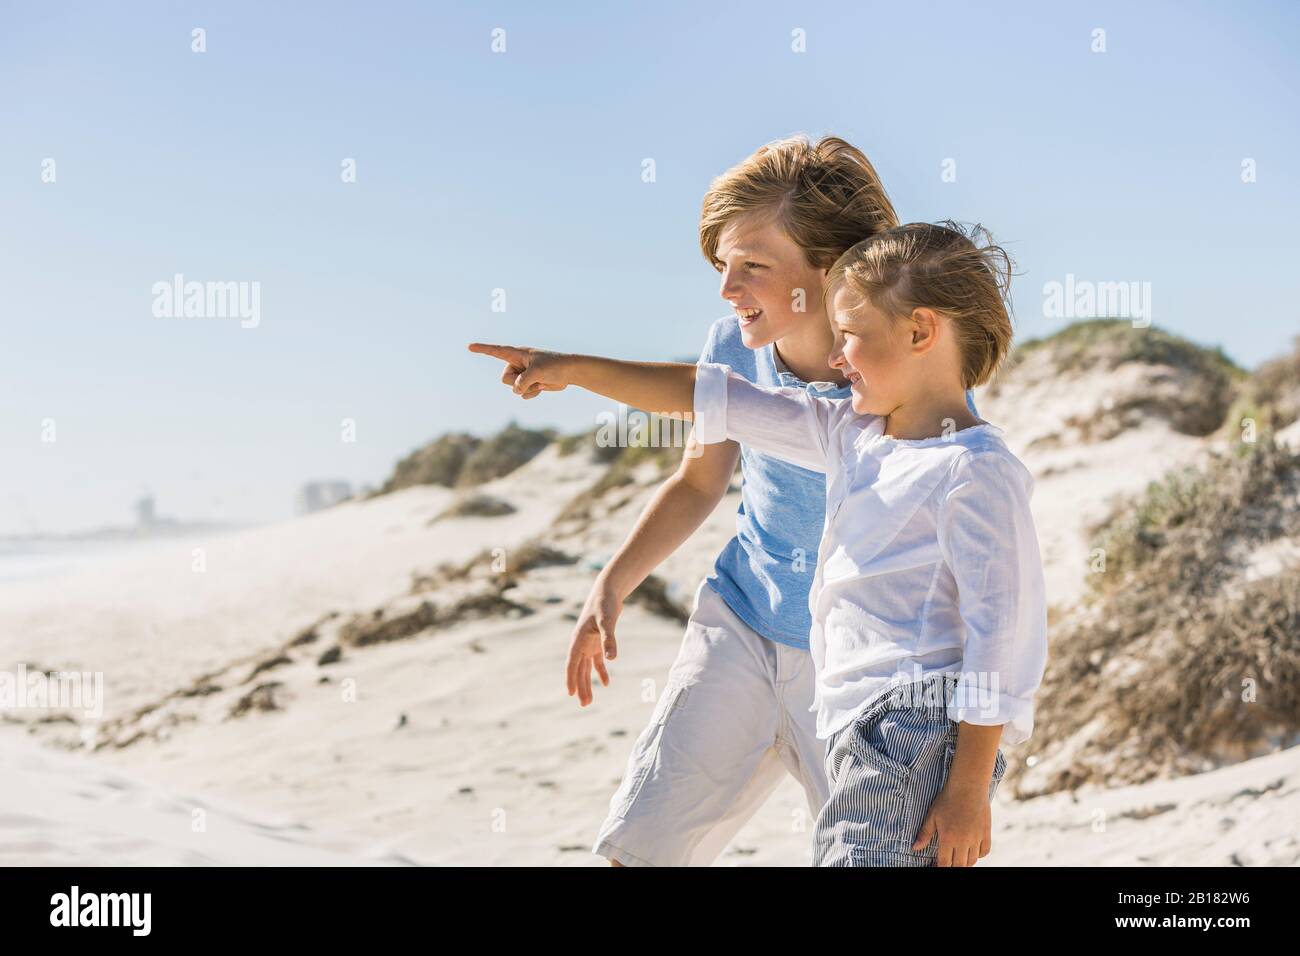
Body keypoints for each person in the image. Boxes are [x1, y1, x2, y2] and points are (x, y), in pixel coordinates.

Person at [468, 219, 1048, 866]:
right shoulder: (852, 435)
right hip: (853, 720)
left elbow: (1003, 636)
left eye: (851, 336)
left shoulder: (976, 470)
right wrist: (574, 369)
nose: (836, 357)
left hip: (916, 727)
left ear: (919, 332)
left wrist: (969, 787)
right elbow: (711, 397)